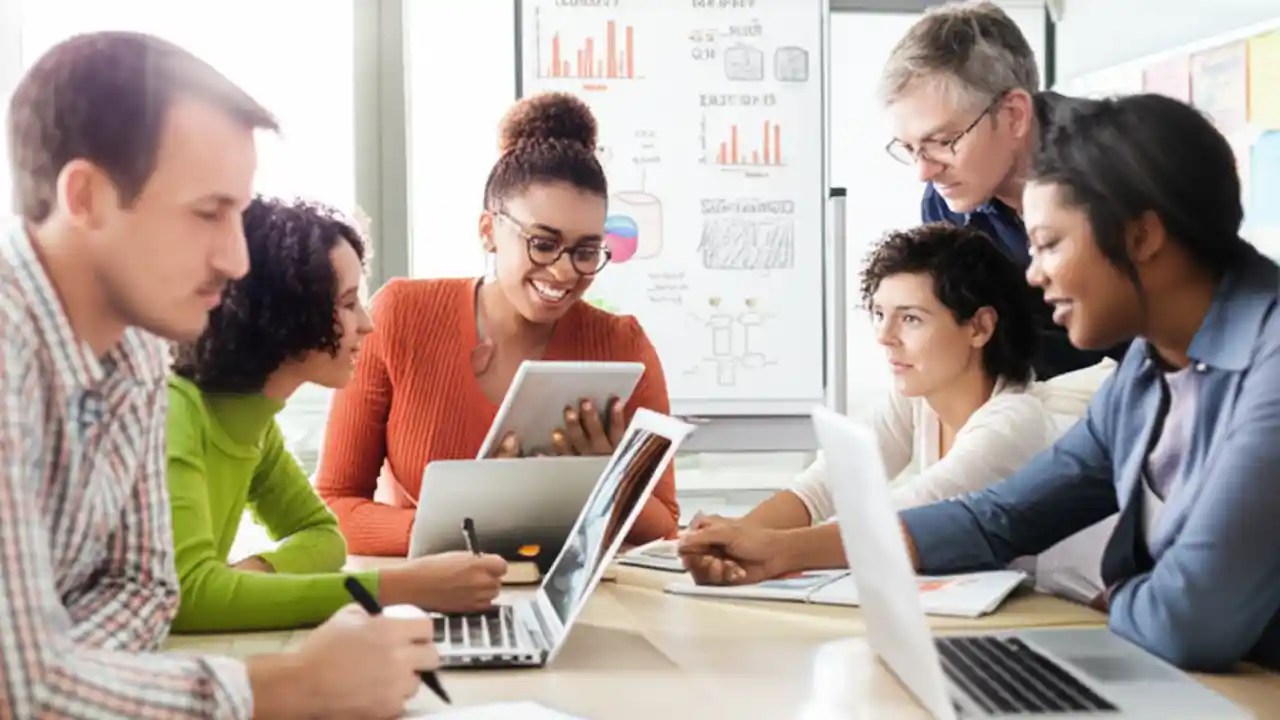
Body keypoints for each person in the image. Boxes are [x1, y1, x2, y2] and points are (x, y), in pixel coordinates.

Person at [1, 32, 436, 719]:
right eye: (208, 214)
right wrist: (292, 687)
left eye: (238, 213)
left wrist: (62, 667)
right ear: (86, 196)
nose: (236, 261)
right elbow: (25, 689)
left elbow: (149, 593)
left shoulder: (138, 354)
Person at [889, 94, 1279, 671]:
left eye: (1049, 244)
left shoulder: (1270, 365)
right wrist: (790, 550)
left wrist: (1118, 596)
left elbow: (1190, 621)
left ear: (1140, 237)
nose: (1032, 274)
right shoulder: (1148, 368)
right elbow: (1001, 517)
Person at [316, 92, 679, 556]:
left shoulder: (623, 346)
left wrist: (609, 476)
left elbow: (664, 528)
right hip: (433, 592)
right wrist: (462, 531)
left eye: (586, 251)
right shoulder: (401, 316)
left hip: (570, 594)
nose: (564, 272)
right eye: (543, 244)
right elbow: (334, 505)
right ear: (488, 230)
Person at [166, 196, 508, 633]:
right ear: (287, 314)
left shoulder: (257, 429)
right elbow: (189, 597)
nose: (367, 324)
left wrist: (254, 575)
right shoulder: (174, 412)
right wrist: (402, 586)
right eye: (348, 304)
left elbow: (326, 537)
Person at [678, 223, 1068, 585]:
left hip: (1030, 616)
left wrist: (772, 549)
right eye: (880, 314)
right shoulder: (918, 399)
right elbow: (825, 484)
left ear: (979, 327)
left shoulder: (1014, 421)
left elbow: (906, 518)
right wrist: (732, 538)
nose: (884, 336)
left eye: (911, 319)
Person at [879, 0, 1123, 379]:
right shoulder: (945, 204)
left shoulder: (1119, 168)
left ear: (1013, 115)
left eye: (942, 141)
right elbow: (981, 339)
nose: (924, 172)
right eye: (910, 149)